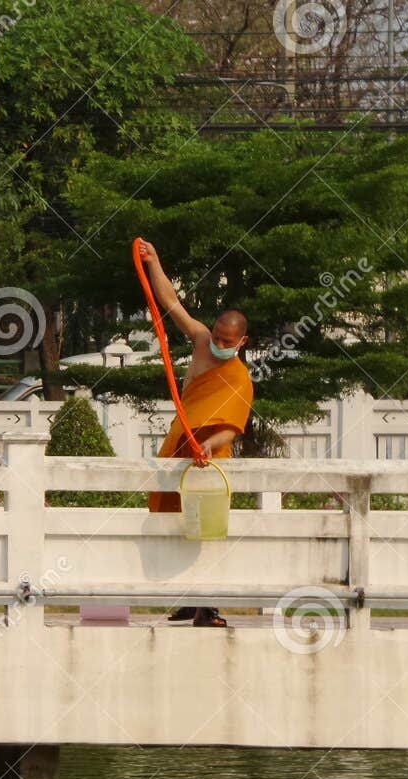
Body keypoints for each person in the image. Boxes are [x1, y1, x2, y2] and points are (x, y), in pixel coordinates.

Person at [136, 240, 255, 628]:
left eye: (227, 340)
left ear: (242, 342)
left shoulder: (240, 378)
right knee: (174, 523)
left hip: (210, 456)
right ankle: (188, 600)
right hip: (181, 444)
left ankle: (209, 607)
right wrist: (154, 261)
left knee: (206, 531)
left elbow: (231, 430)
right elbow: (171, 303)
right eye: (218, 335)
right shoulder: (202, 340)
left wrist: (208, 444)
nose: (219, 344)